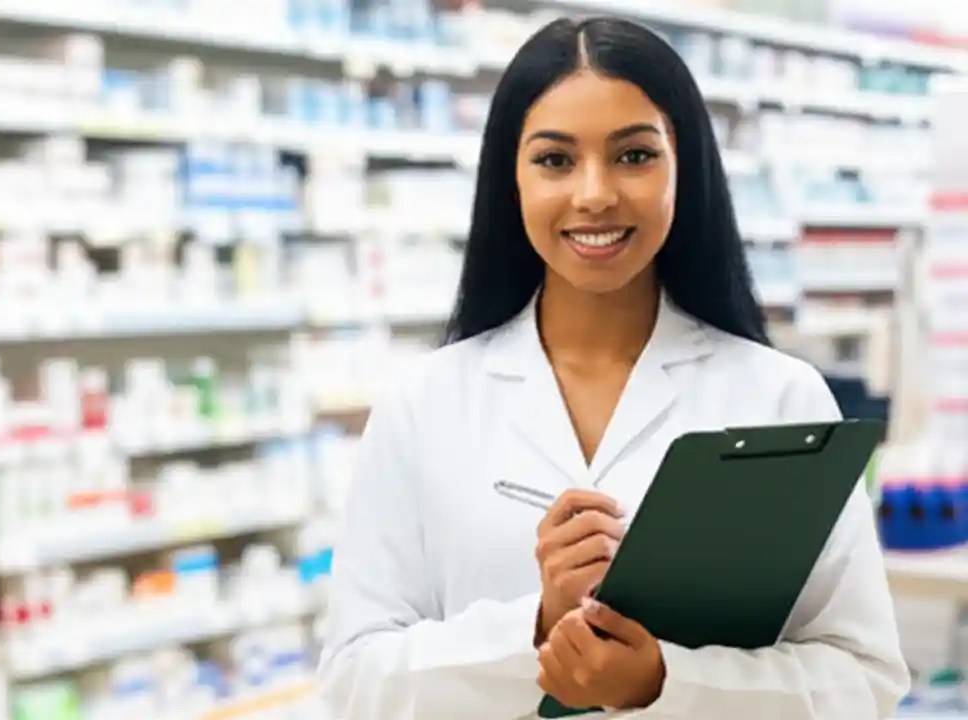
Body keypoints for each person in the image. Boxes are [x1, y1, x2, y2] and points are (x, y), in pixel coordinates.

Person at [316, 15, 909, 720]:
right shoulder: (425, 404)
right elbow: (354, 683)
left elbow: (863, 678)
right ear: (510, 179)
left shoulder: (779, 396)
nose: (594, 194)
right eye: (554, 160)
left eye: (633, 155)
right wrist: (535, 630)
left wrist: (664, 683)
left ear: (684, 167)